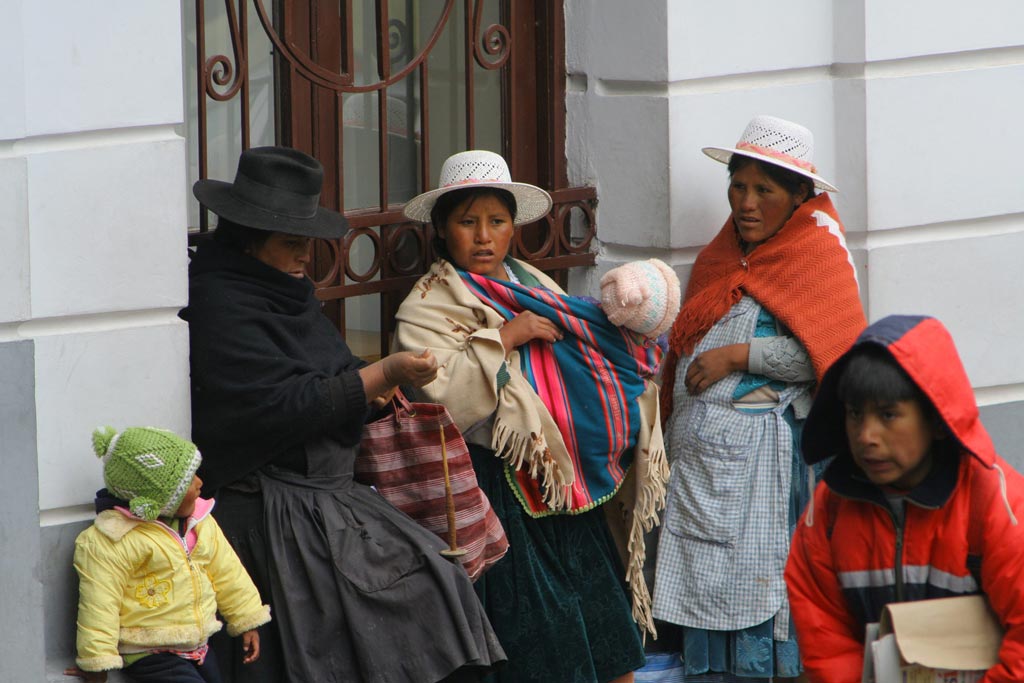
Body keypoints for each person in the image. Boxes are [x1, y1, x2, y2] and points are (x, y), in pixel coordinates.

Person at [179, 146, 505, 683]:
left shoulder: (286, 294)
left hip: (327, 497)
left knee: (440, 585)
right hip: (272, 508)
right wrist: (379, 376)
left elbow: (327, 366)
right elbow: (277, 406)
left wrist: (370, 383)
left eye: (307, 241)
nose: (306, 255)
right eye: (292, 243)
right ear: (249, 239)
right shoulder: (221, 304)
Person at [394, 150, 675, 683]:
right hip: (497, 493)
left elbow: (580, 354)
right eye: (467, 222)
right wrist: (505, 337)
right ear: (441, 228)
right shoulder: (426, 306)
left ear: (512, 227)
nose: (483, 237)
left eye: (496, 222)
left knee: (604, 629)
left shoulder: (533, 284)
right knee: (543, 639)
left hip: (565, 484)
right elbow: (436, 395)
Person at [652, 115, 867, 681]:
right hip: (704, 465)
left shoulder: (817, 258)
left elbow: (831, 357)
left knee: (761, 585)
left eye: (763, 190)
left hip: (769, 465)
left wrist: (737, 357)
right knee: (706, 579)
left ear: (799, 196)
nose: (745, 203)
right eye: (737, 186)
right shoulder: (721, 258)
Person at [785, 315, 1024, 682]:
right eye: (854, 414)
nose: (867, 435)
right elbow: (827, 645)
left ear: (938, 421)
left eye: (888, 414)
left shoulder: (997, 503)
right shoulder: (827, 512)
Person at [66, 426, 270, 683]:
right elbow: (99, 602)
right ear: (157, 499)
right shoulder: (115, 538)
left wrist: (247, 620)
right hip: (151, 654)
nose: (199, 483)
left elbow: (228, 572)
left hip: (199, 648)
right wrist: (97, 661)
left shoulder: (200, 523)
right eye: (187, 481)